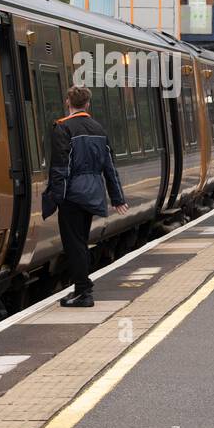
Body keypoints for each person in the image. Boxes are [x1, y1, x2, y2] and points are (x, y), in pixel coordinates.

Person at [41, 86, 128, 307]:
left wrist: (55, 199)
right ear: (87, 104)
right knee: (80, 241)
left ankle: (83, 291)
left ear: (67, 102)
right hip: (93, 193)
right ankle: (82, 288)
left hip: (73, 195)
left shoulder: (62, 127)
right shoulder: (99, 129)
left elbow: (60, 167)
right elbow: (109, 167)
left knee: (74, 244)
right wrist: (117, 198)